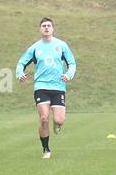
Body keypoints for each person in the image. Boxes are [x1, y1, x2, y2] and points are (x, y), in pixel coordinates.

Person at [16, 17, 76, 159]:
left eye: (49, 25)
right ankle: (46, 149)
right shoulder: (35, 48)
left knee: (59, 120)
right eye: (44, 26)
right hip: (41, 87)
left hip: (58, 87)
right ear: (40, 29)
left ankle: (57, 124)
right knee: (43, 118)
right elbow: (21, 63)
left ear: (53, 28)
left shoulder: (61, 45)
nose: (46, 28)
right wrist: (20, 73)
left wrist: (69, 75)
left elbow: (72, 63)